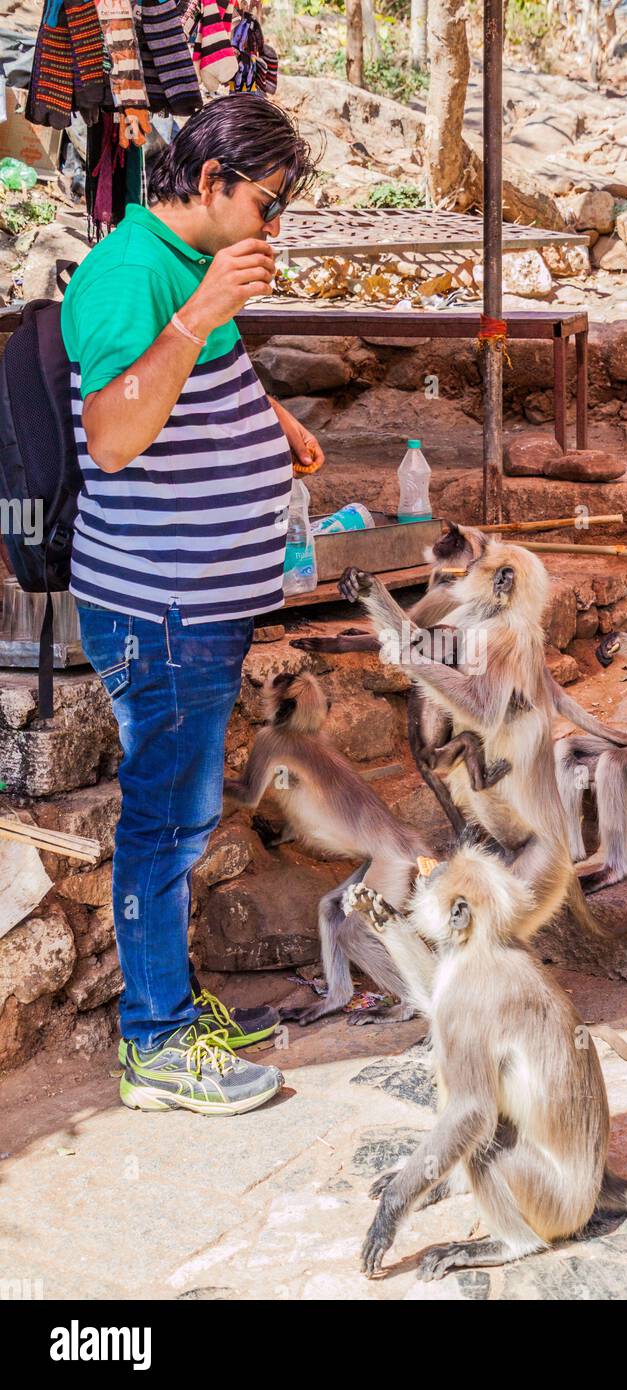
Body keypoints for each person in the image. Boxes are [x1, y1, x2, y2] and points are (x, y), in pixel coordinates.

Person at [60, 94, 324, 1117]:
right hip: (156, 607)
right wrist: (197, 314)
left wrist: (272, 417)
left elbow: (196, 380)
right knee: (162, 826)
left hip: (199, 602)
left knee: (183, 816)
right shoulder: (131, 275)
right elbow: (117, 432)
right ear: (210, 184)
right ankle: (156, 1043)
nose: (271, 226)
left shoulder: (188, 271)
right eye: (264, 203)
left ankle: (174, 1009)